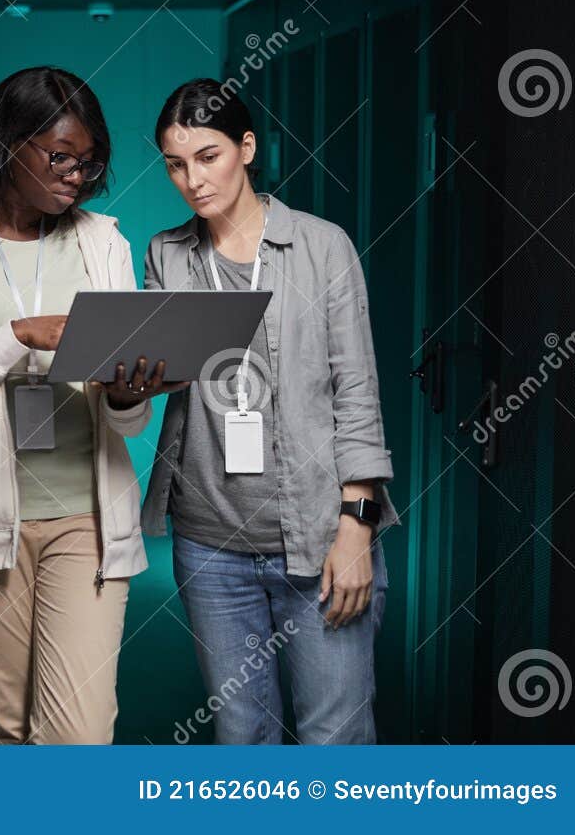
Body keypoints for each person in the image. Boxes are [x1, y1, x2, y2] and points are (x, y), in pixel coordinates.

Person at [0, 66, 171, 744]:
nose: (77, 174)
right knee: (7, 724)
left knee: (77, 734)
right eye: (60, 157)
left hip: (88, 518)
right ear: (7, 144)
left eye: (88, 161)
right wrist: (16, 337)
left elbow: (125, 415)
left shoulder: (102, 241)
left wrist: (131, 393)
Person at [142, 78, 397, 744]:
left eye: (208, 155)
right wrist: (124, 381)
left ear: (246, 147)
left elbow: (358, 395)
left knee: (333, 738)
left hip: (320, 538)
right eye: (175, 163)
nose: (192, 179)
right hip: (210, 545)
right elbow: (159, 383)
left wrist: (357, 528)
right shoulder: (166, 255)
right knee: (242, 738)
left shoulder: (322, 247)